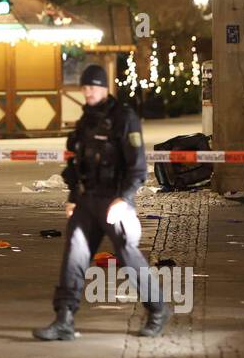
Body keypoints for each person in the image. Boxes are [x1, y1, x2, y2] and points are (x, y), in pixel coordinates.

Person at [33, 64, 170, 341]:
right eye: (85, 88)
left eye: (93, 88)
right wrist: (73, 197)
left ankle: (157, 309)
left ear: (105, 88)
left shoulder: (124, 118)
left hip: (114, 200)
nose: (88, 93)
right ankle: (64, 319)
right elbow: (75, 163)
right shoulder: (86, 120)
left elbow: (138, 166)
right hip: (87, 200)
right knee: (74, 257)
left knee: (127, 255)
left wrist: (125, 198)